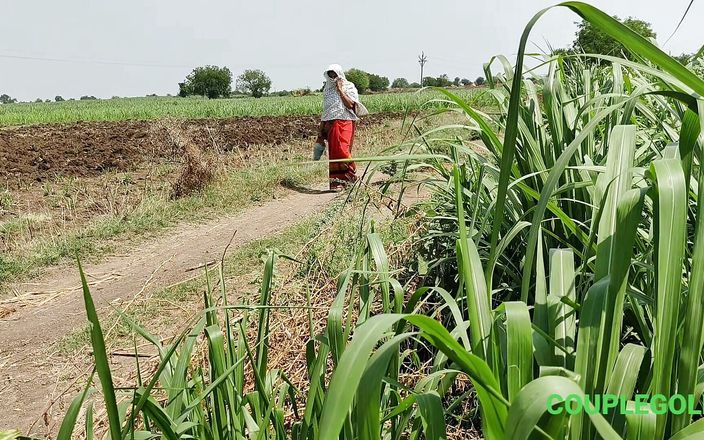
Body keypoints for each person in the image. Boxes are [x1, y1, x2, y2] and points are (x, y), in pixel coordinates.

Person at [316, 64, 368, 190]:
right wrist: (321, 129)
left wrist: (340, 90)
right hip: (330, 124)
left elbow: (350, 105)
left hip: (345, 121)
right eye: (330, 74)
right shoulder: (327, 90)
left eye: (334, 74)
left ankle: (351, 175)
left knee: (342, 150)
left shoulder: (349, 86)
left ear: (339, 73)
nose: (333, 77)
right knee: (334, 154)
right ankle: (337, 183)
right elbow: (326, 110)